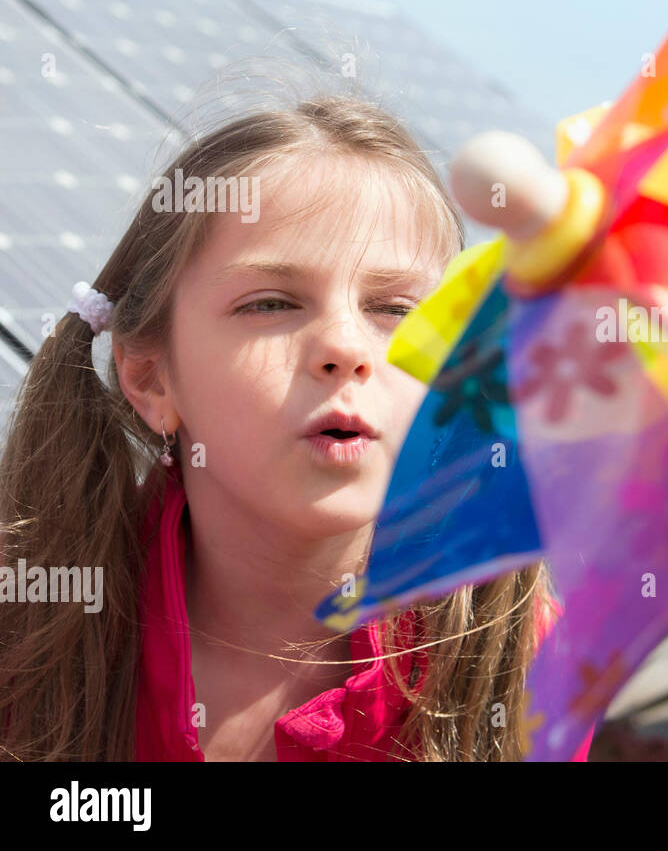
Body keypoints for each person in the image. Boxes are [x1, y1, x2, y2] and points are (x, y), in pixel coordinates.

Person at [0, 93, 593, 761]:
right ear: (151, 378)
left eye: (397, 308)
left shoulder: (536, 674)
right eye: (271, 303)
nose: (345, 347)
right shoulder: (24, 637)